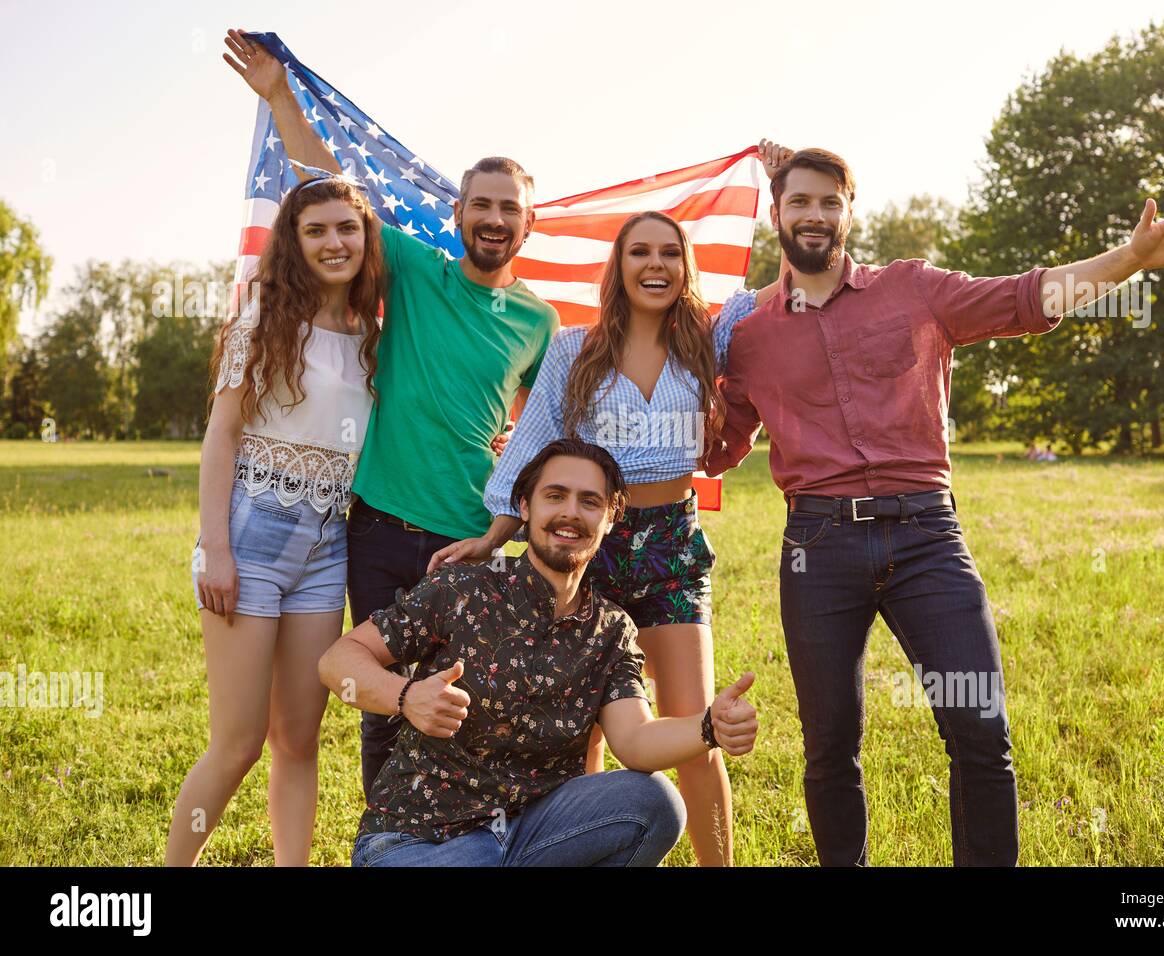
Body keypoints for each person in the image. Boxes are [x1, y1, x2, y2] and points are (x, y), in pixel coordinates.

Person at [704, 147, 1164, 866]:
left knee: (980, 729)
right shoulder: (748, 334)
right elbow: (719, 446)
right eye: (799, 202)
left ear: (850, 212)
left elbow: (1029, 297)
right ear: (777, 215)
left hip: (926, 536)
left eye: (829, 202)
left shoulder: (915, 290)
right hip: (818, 546)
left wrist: (1129, 259)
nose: (814, 215)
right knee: (828, 745)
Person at [426, 141, 786, 865]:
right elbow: (532, 445)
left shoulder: (706, 342)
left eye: (669, 253)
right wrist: (494, 536)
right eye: (639, 252)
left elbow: (791, 289)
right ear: (618, 267)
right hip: (583, 548)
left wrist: (781, 192)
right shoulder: (573, 348)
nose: (655, 265)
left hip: (672, 547)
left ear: (684, 267)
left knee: (694, 726)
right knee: (581, 731)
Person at [223, 29, 559, 801]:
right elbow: (326, 182)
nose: (494, 218)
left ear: (528, 224)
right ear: (458, 212)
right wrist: (279, 96)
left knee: (461, 702)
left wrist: (497, 536)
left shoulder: (538, 324)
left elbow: (538, 444)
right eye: (481, 204)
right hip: (373, 529)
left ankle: (459, 834)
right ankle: (386, 840)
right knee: (381, 700)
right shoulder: (411, 267)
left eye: (510, 208)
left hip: (466, 538)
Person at [319, 438, 759, 866]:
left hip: (537, 836)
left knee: (655, 803)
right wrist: (405, 697)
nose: (570, 512)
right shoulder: (463, 588)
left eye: (590, 502)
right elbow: (338, 659)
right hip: (424, 839)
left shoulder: (611, 630)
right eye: (555, 496)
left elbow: (634, 740)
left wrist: (708, 727)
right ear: (525, 508)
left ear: (611, 518)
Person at [166, 174, 384, 866]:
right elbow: (221, 436)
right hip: (250, 536)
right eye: (315, 230)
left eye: (345, 228)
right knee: (237, 741)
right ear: (293, 240)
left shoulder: (374, 332)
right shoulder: (262, 318)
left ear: (364, 237)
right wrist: (216, 549)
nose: (333, 242)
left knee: (298, 738)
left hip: (327, 545)